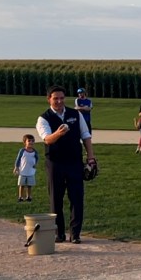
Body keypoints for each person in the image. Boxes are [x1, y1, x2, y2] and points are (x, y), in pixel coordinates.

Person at [37, 85, 96, 244]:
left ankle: (75, 234)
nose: (59, 101)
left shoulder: (75, 114)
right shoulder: (44, 118)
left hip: (74, 161)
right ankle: (59, 233)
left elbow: (85, 135)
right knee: (56, 198)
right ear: (49, 99)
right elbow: (47, 139)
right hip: (55, 163)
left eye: (62, 98)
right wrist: (59, 133)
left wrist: (91, 157)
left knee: (77, 198)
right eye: (55, 98)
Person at [13, 133, 38, 202]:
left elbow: (37, 158)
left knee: (29, 185)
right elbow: (18, 159)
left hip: (30, 171)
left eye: (32, 141)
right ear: (25, 142)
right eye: (29, 141)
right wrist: (16, 167)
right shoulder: (22, 151)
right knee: (22, 185)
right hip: (23, 171)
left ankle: (28, 196)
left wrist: (35, 164)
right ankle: (20, 197)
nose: (31, 142)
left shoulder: (34, 151)